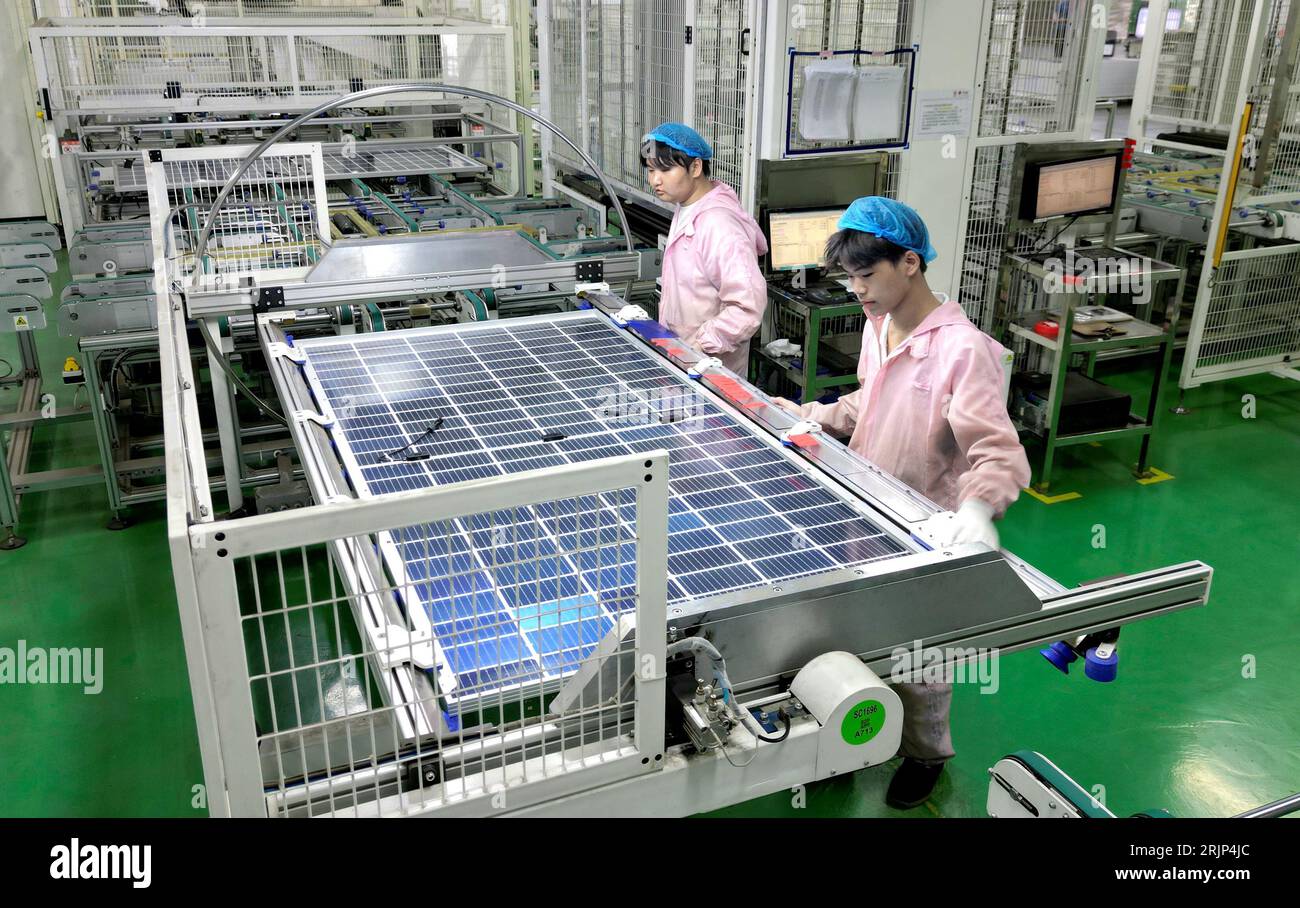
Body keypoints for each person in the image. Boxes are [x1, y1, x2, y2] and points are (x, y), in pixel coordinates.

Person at [773, 197, 1031, 809]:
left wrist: (976, 511)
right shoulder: (879, 323)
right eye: (850, 279)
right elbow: (869, 404)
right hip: (862, 505)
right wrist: (810, 416)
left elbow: (997, 452)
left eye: (868, 276)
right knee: (844, 635)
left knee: (921, 660)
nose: (857, 291)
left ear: (909, 262)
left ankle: (926, 755)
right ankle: (841, 740)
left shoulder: (964, 351)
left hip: (923, 526)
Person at [641, 123, 768, 376]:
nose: (655, 180)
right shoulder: (687, 206)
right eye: (651, 169)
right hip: (684, 362)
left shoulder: (720, 224)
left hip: (711, 370)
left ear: (696, 167)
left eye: (665, 169)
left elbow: (747, 308)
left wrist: (698, 346)